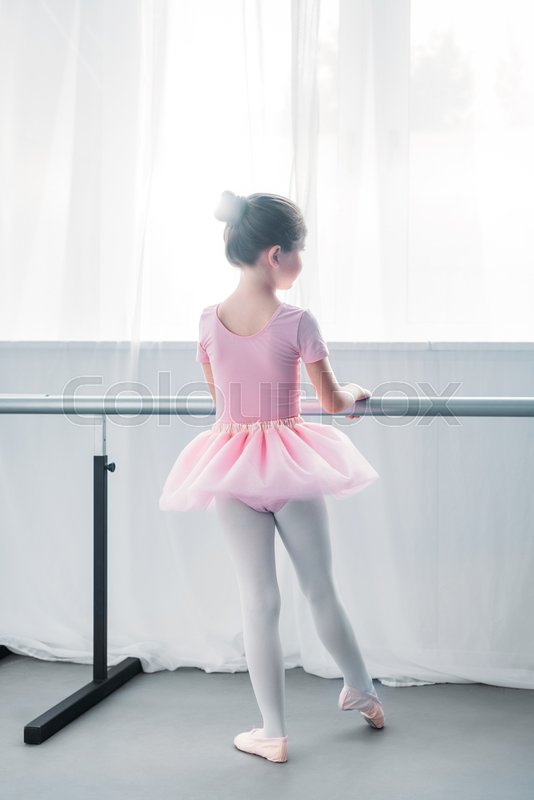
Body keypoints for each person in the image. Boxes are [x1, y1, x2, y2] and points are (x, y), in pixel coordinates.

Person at [159, 190, 385, 763]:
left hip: (233, 466)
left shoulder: (208, 320)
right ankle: (362, 691)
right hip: (287, 463)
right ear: (276, 254)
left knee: (258, 600)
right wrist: (356, 392)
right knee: (320, 588)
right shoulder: (297, 321)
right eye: (299, 252)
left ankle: (273, 732)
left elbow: (223, 404)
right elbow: (332, 403)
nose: (300, 262)